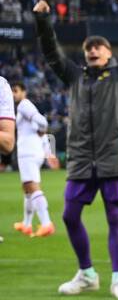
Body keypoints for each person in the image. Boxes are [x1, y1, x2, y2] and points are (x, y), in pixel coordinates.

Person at [36, 0, 118, 298]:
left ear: (109, 52)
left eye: (98, 46)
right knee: (69, 215)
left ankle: (117, 278)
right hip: (82, 158)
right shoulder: (75, 76)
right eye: (88, 48)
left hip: (114, 157)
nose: (92, 50)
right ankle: (86, 273)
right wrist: (43, 20)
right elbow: (52, 53)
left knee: (116, 218)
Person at [9, 80, 56, 236]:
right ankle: (27, 224)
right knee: (27, 189)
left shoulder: (23, 105)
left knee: (32, 186)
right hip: (31, 152)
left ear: (23, 91)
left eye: (16, 90)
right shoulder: (24, 107)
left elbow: (42, 122)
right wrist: (48, 150)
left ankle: (46, 223)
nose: (13, 94)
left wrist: (42, 130)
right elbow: (39, 127)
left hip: (28, 153)